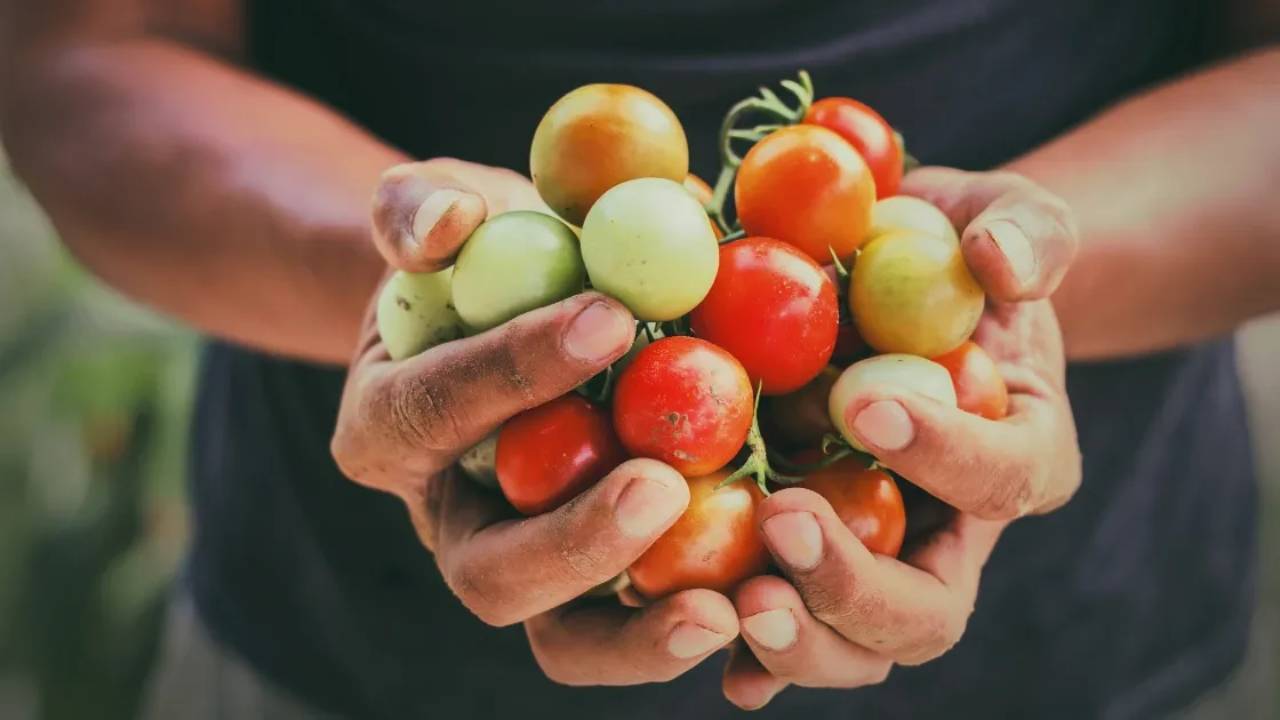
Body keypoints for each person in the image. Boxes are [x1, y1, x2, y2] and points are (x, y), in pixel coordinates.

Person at [2, 1, 1276, 718]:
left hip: (1099, 658)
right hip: (342, 660)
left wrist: (1017, 285)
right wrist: (427, 294)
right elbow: (74, 51)